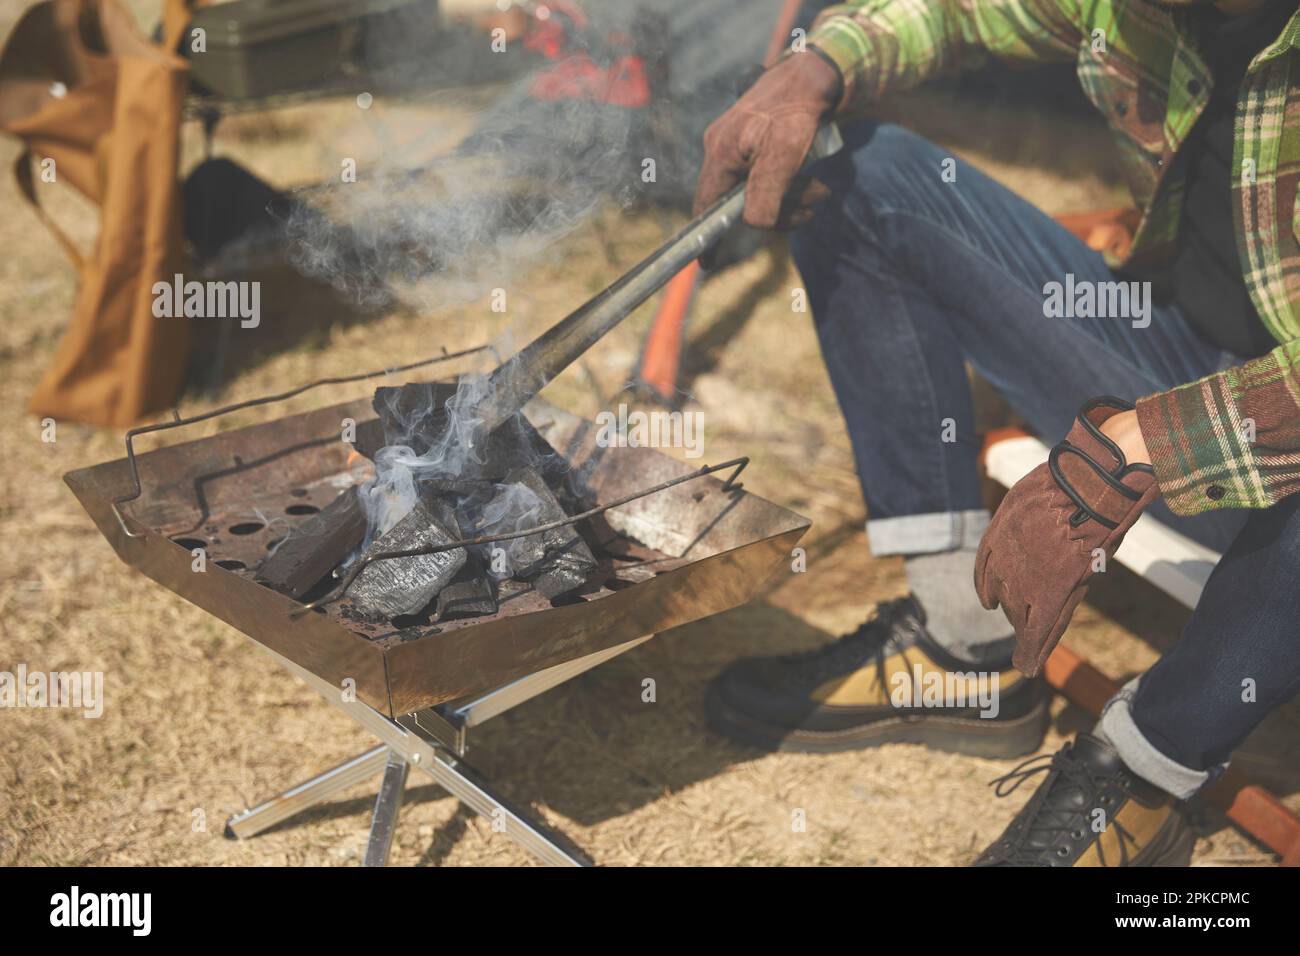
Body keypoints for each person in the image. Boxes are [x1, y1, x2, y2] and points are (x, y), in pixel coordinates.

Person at [695, 0, 1300, 866]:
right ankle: (960, 643)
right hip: (1178, 363)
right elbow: (963, 11)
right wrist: (816, 65)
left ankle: (1148, 772)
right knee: (863, 177)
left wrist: (1141, 445)